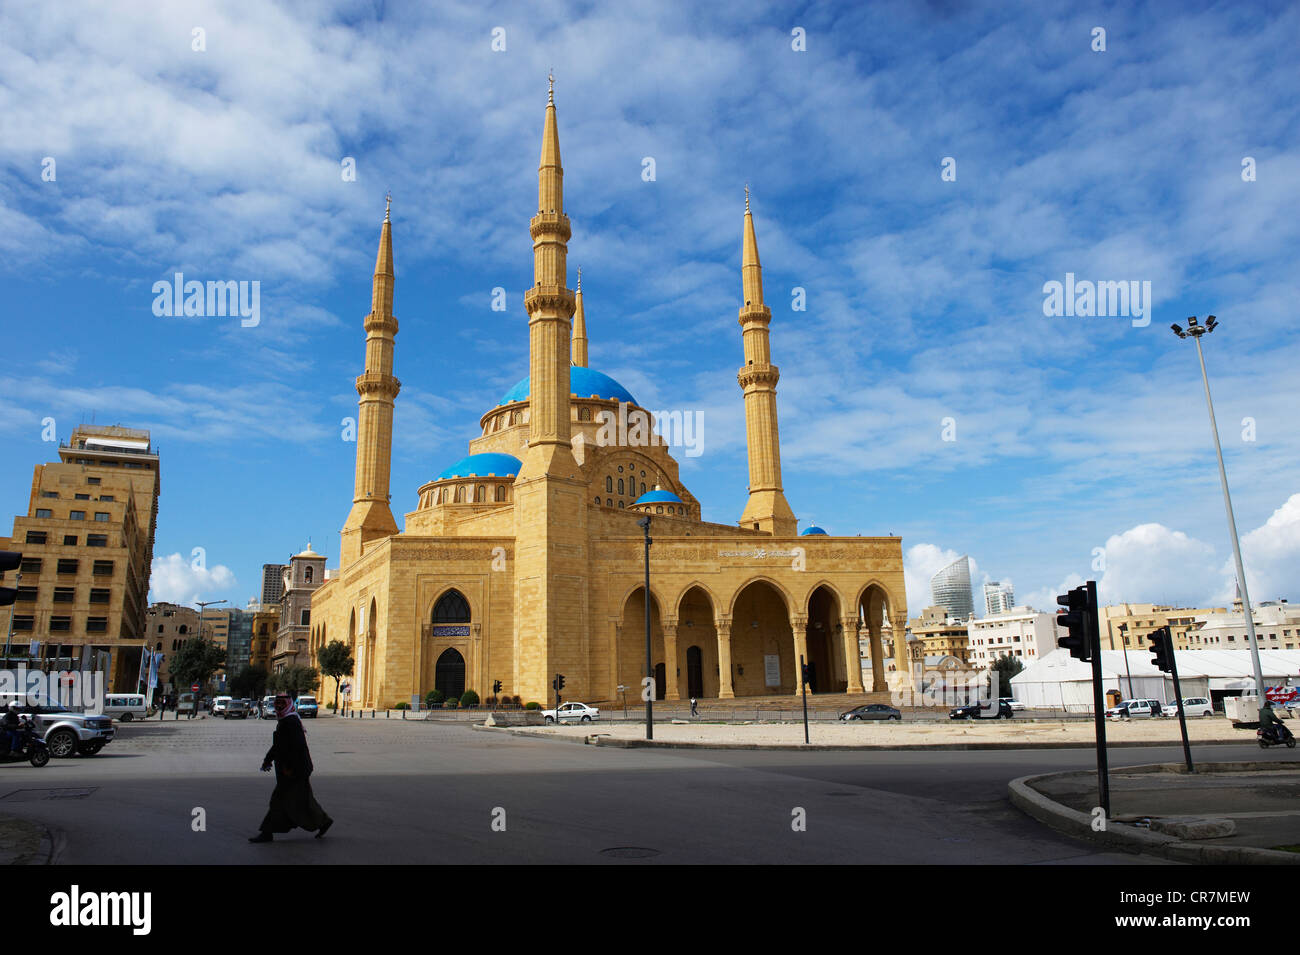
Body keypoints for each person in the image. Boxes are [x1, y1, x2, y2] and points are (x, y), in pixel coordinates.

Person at [249, 692, 333, 843]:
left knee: (278, 800)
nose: (279, 706)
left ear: (289, 704)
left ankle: (267, 833)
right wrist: (267, 760)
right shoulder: (286, 720)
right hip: (294, 769)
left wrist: (289, 767)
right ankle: (323, 822)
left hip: (294, 770)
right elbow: (278, 745)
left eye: (282, 703)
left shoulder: (290, 721)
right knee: (303, 799)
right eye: (277, 703)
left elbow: (296, 747)